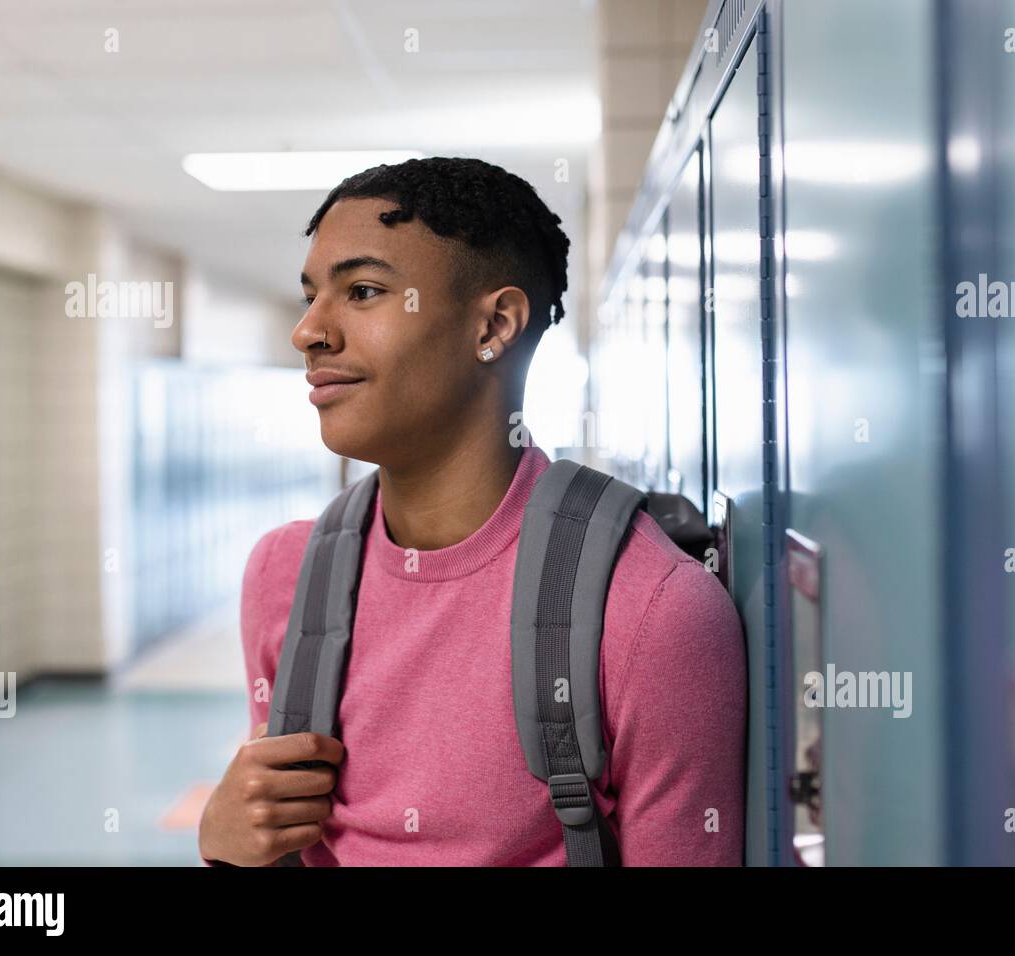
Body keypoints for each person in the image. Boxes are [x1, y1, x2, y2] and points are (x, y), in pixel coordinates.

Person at [198, 157, 745, 866]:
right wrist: (225, 845)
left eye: (361, 292)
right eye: (310, 297)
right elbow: (278, 831)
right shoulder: (285, 572)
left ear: (494, 324)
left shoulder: (651, 611)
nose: (308, 332)